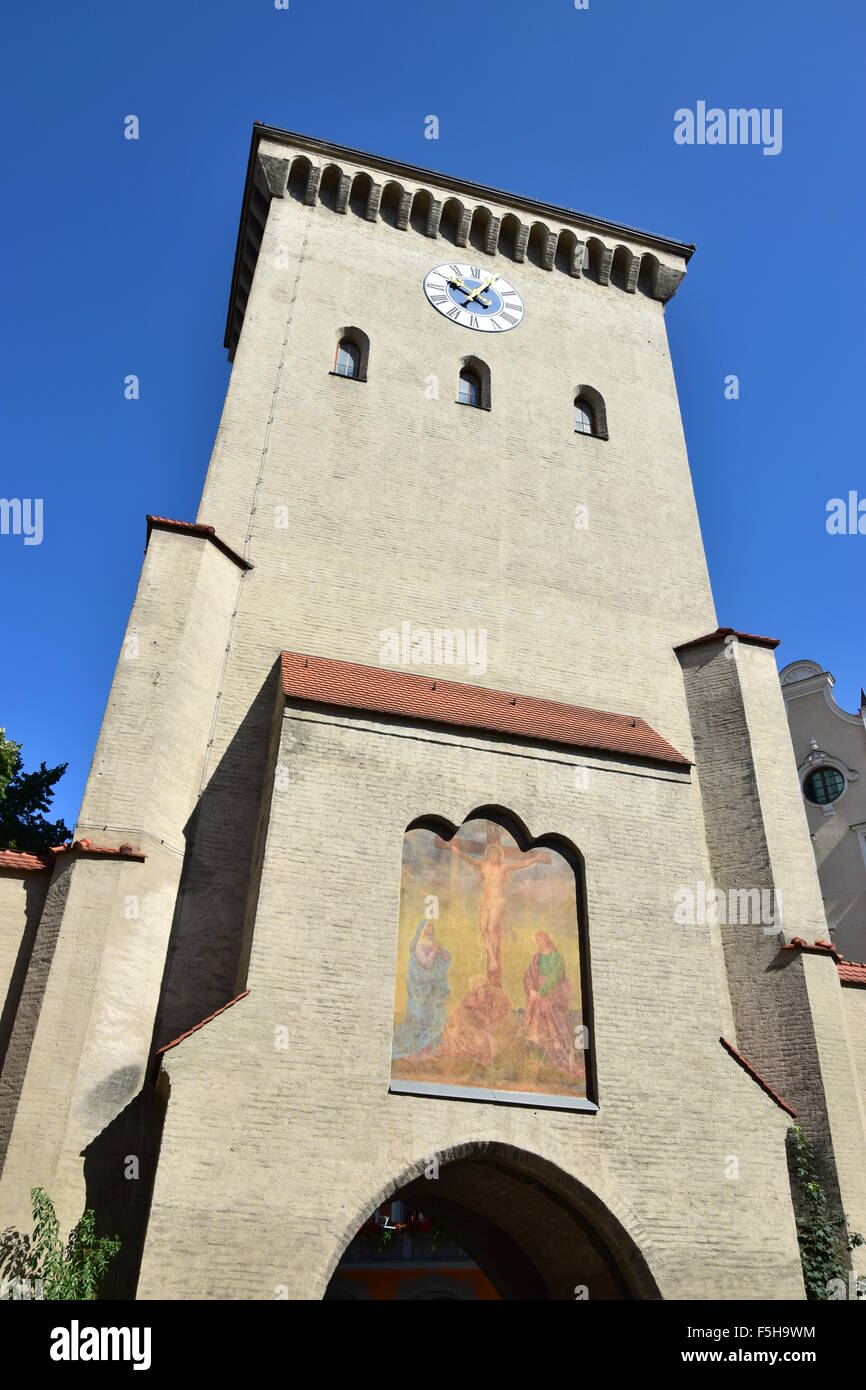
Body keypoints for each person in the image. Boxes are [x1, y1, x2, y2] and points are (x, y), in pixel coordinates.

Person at [438, 836, 551, 987]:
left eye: (497, 855)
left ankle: (493, 958)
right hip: (485, 901)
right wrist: (453, 848)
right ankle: (491, 955)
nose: (494, 857)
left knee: (491, 928)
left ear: (499, 857)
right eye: (492, 855)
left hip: (497, 901)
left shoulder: (503, 868)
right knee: (483, 928)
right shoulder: (482, 865)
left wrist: (535, 859)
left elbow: (521, 864)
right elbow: (466, 857)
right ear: (488, 855)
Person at [523, 930, 579, 1080]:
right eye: (536, 941)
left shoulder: (557, 957)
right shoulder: (536, 958)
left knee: (555, 1026)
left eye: (540, 940)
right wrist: (531, 990)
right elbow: (528, 975)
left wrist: (543, 990)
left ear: (547, 940)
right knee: (538, 1026)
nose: (538, 943)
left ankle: (565, 1060)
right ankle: (541, 1061)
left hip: (553, 995)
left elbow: (556, 975)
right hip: (538, 997)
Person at [392, 918, 451, 1060]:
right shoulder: (419, 945)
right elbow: (426, 965)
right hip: (420, 990)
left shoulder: (432, 944)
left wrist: (442, 954)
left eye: (431, 926)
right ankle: (413, 1049)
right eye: (428, 926)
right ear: (422, 929)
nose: (430, 929)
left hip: (433, 989)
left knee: (436, 1018)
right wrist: (434, 952)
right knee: (420, 1021)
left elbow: (445, 958)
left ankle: (427, 1049)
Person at [435, 975, 511, 1069]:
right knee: (458, 1037)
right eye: (478, 988)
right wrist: (481, 1020)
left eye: (483, 987)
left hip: (474, 1026)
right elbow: (467, 1015)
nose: (481, 990)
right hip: (460, 1021)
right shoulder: (469, 1000)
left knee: (482, 1042)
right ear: (474, 990)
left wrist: (486, 1020)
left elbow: (493, 1013)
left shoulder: (489, 999)